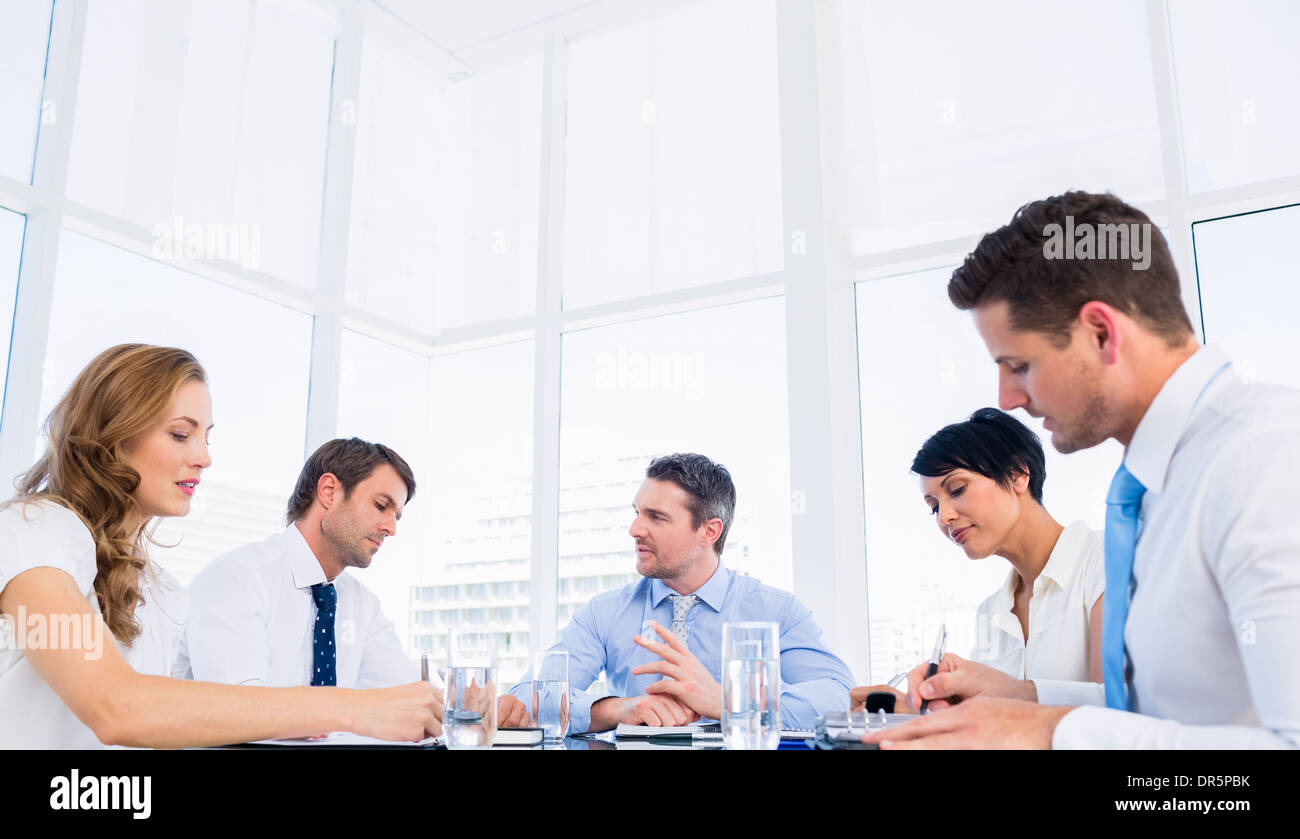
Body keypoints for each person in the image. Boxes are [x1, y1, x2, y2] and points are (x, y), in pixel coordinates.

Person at [865, 191, 1300, 749]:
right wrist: (1016, 702)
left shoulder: (1264, 457)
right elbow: (1164, 715)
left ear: (1101, 333)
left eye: (1018, 365)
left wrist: (1051, 732)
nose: (1008, 397)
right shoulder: (1160, 485)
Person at [0, 344, 439, 748]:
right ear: (114, 433)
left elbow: (173, 722)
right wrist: (352, 709)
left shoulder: (160, 591)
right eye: (179, 434)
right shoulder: (37, 533)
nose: (204, 457)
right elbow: (116, 706)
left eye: (206, 437)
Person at [185, 437, 528, 725]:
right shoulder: (237, 580)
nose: (391, 528)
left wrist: (478, 708)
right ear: (330, 492)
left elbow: (416, 699)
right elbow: (240, 718)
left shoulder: (360, 605)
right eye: (382, 505)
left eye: (396, 516)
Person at [510, 452, 854, 732]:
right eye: (637, 513)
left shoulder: (777, 611)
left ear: (709, 531)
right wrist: (618, 708)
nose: (634, 529)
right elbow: (527, 697)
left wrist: (727, 701)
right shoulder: (605, 612)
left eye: (656, 517)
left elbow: (837, 698)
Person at [851, 408, 1104, 713]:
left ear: (1017, 474)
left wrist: (1012, 695)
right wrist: (917, 711)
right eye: (933, 507)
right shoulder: (992, 611)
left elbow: (1121, 712)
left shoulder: (1102, 561)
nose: (945, 517)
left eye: (957, 489)